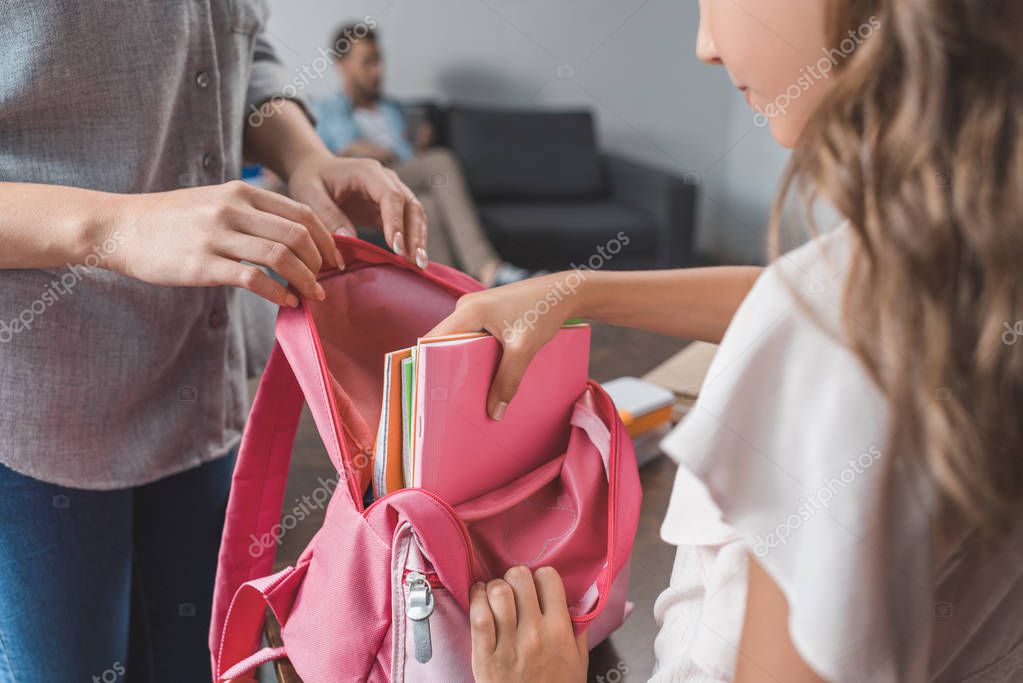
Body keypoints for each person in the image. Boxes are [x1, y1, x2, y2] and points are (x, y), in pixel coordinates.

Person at [430, 0, 1023, 681]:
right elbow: (817, 297)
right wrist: (581, 289)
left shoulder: (832, 353)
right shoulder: (964, 249)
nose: (705, 45)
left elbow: (824, 318)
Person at [0, 3, 428, 682]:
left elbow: (237, 50)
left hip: (204, 386)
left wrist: (305, 156)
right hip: (37, 417)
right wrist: (115, 225)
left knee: (205, 665)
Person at [313, 23, 537, 287]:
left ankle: (453, 291)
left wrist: (418, 147)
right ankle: (489, 269)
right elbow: (320, 163)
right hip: (364, 187)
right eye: (368, 63)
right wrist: (354, 151)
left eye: (379, 61)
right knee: (441, 161)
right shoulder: (324, 112)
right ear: (342, 64)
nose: (378, 71)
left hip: (404, 176)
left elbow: (408, 158)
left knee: (427, 204)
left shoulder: (395, 109)